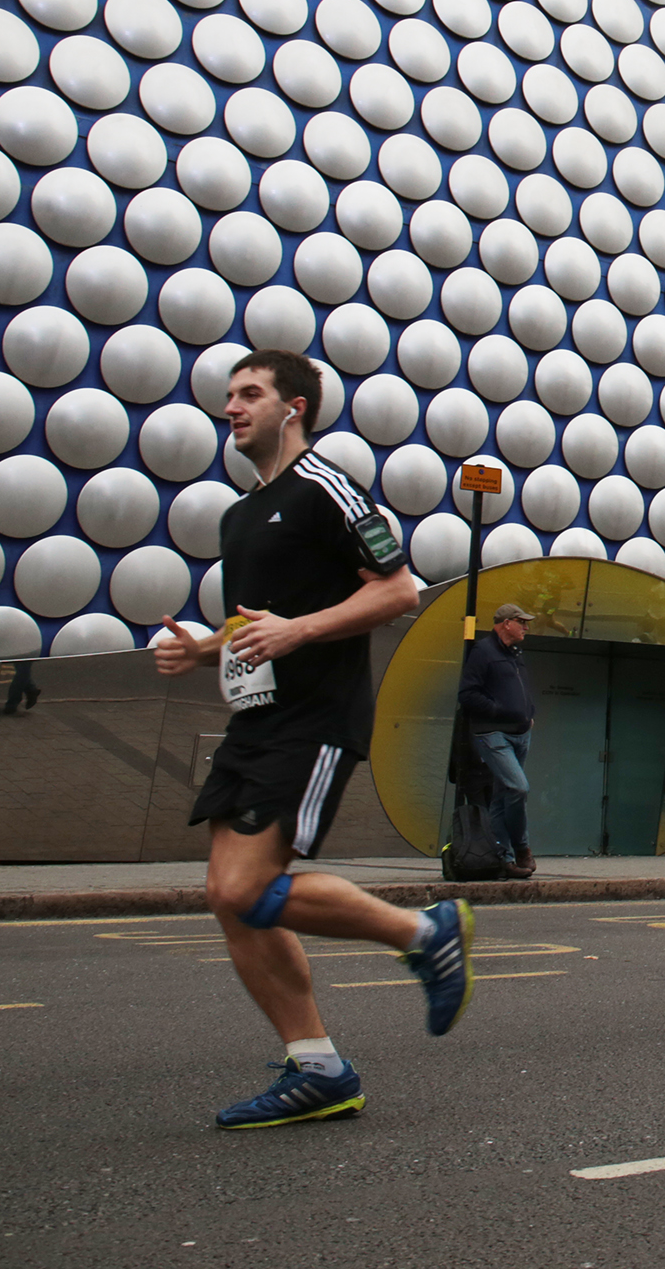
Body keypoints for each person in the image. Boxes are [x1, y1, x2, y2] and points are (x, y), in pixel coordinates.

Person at [152, 348, 470, 1128]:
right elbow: (256, 623)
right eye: (229, 395)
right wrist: (203, 648)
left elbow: (398, 590)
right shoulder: (239, 514)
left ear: (292, 407)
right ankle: (318, 1067)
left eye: (249, 393)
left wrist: (299, 630)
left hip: (316, 717)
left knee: (245, 888)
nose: (231, 407)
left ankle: (424, 932)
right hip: (256, 719)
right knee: (231, 900)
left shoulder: (326, 486)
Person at [457, 602, 537, 877]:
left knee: (503, 797)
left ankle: (504, 858)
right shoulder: (483, 651)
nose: (526, 627)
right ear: (506, 623)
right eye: (522, 622)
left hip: (521, 733)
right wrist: (498, 710)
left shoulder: (515, 653)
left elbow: (522, 688)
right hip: (493, 734)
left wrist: (529, 713)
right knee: (518, 788)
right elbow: (467, 694)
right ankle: (522, 847)